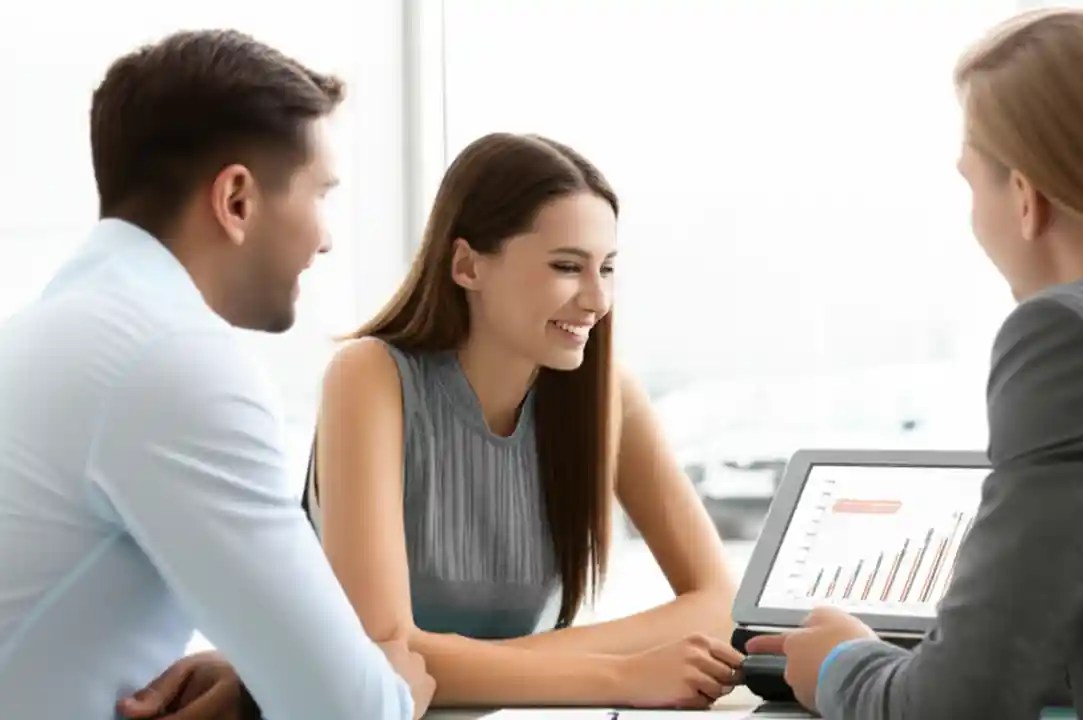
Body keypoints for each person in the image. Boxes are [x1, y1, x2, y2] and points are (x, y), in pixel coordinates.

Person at [748, 7, 1083, 719]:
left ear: (1025, 197)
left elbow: (958, 707)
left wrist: (842, 664)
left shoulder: (1077, 335)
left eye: (973, 183)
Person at [0, 29, 433, 719]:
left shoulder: (59, 329)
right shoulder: (170, 361)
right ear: (237, 200)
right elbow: (353, 711)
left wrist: (258, 682)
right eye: (321, 194)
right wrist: (394, 677)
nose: (325, 237)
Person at [303, 131, 743, 708]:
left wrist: (473, 664)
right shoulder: (369, 376)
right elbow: (380, 651)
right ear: (467, 266)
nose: (596, 299)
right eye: (567, 267)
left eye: (605, 268)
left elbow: (718, 604)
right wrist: (620, 674)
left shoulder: (607, 392)